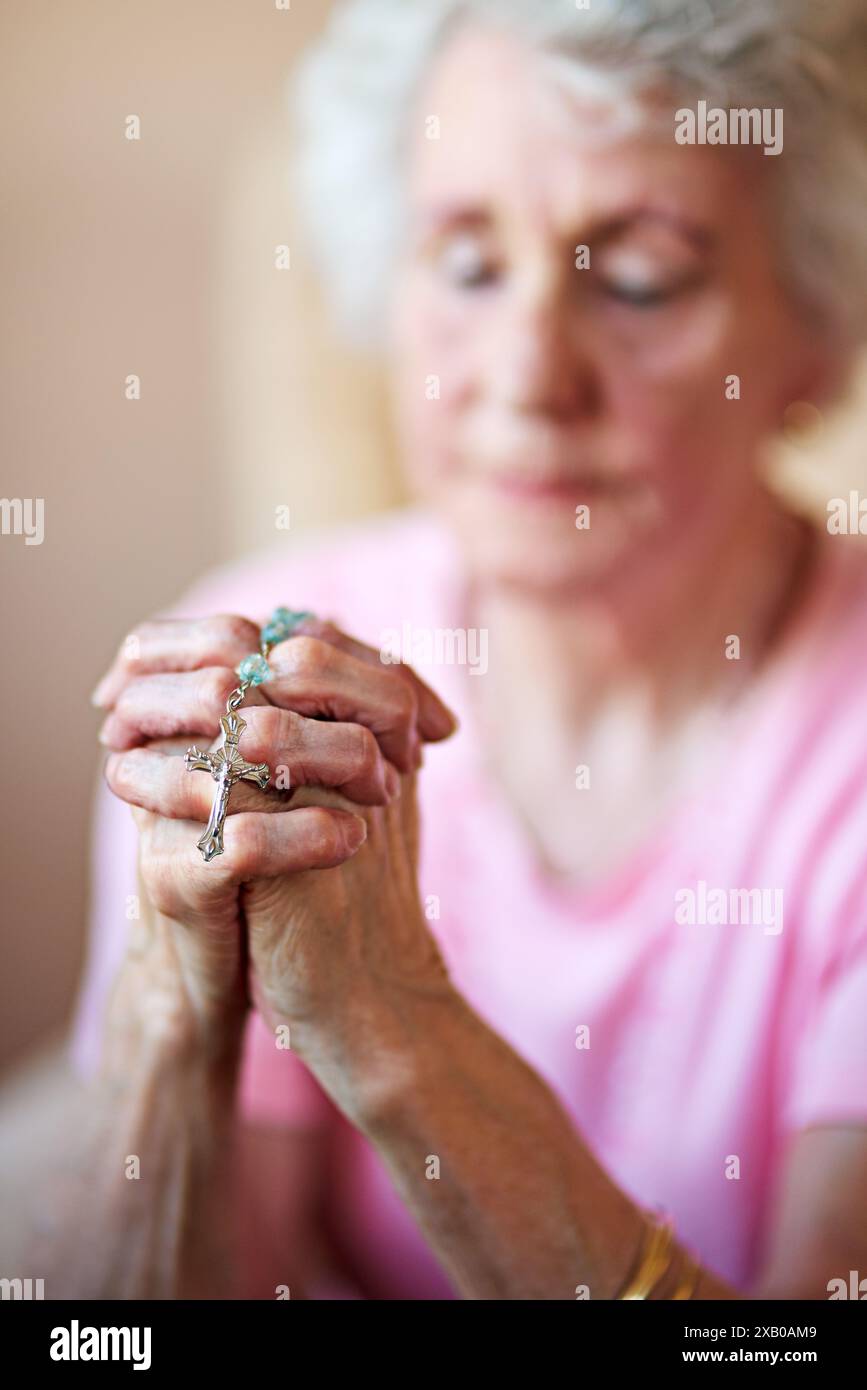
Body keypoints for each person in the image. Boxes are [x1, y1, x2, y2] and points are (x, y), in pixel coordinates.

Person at [6, 0, 867, 1299]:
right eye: (467, 263)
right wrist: (170, 1020)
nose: (528, 371)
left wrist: (399, 1026)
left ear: (821, 325)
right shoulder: (259, 657)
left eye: (638, 276)